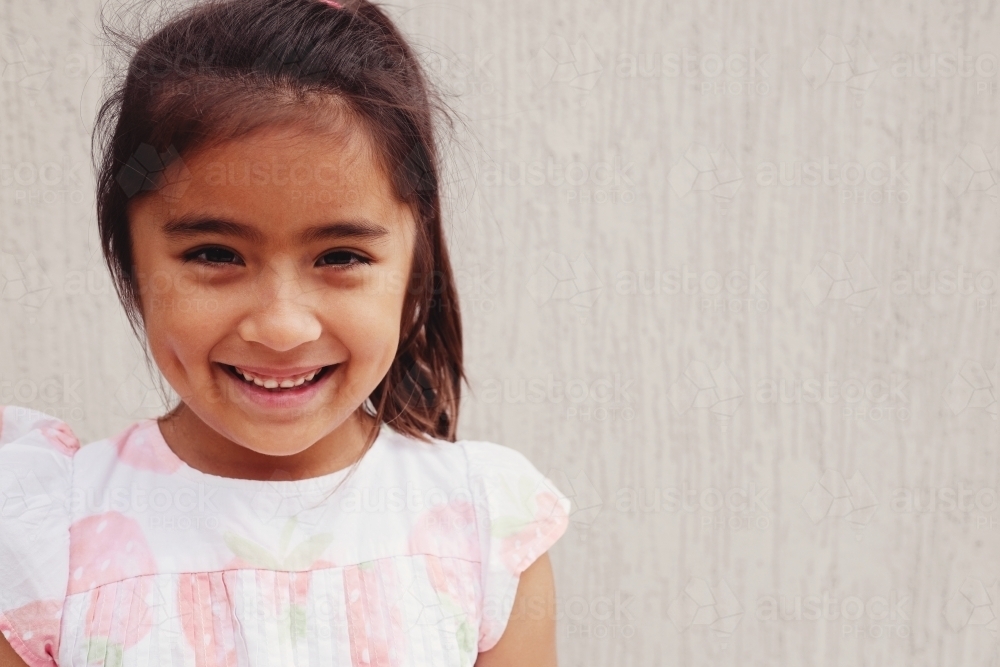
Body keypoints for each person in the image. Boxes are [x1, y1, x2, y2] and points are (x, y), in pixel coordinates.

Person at [0, 0, 571, 665]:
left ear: (416, 267)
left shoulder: (485, 529)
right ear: (130, 261)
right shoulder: (48, 532)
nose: (280, 326)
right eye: (215, 254)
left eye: (341, 257)